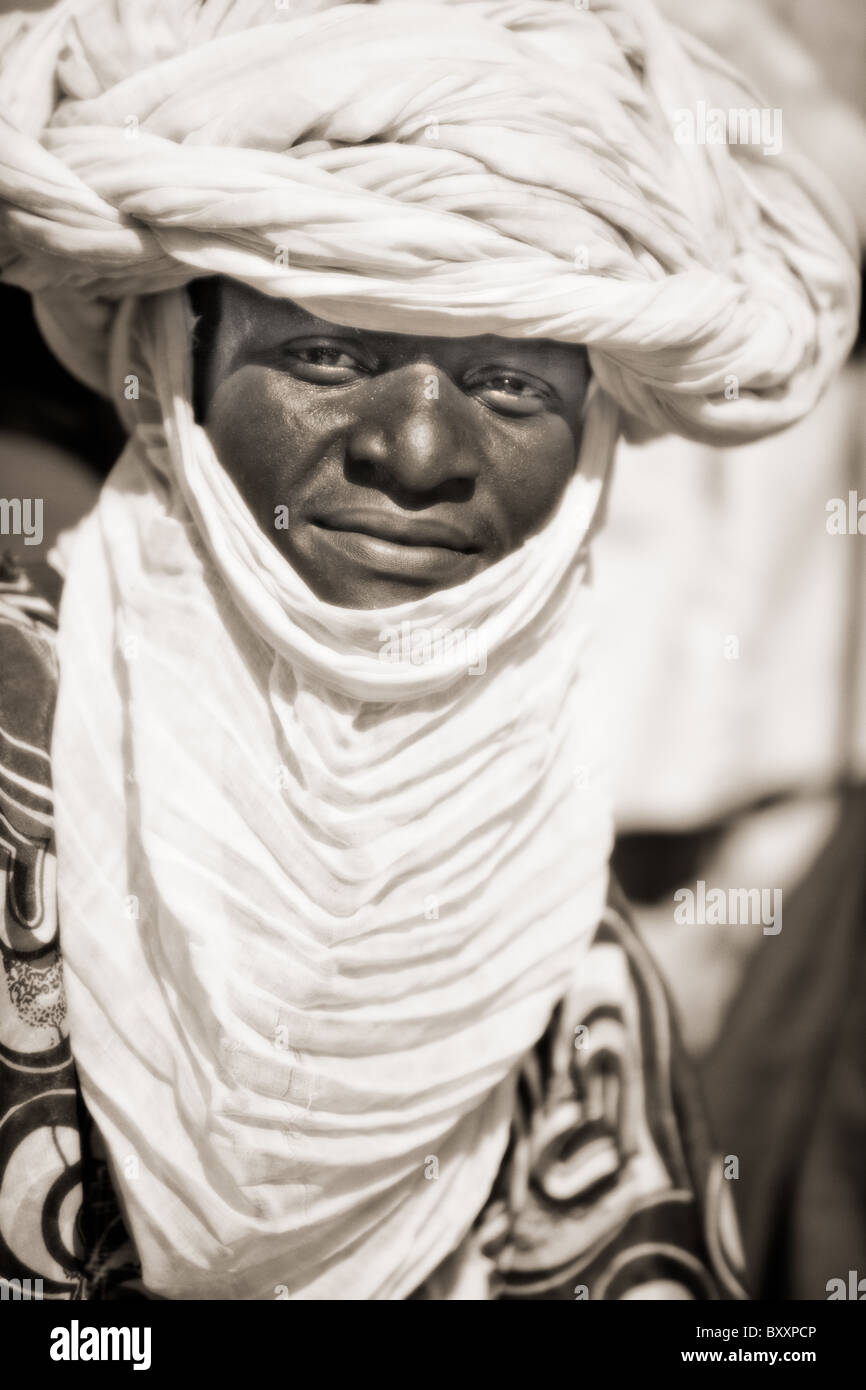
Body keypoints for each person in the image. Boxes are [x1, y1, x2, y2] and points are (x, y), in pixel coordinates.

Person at [0, 0, 857, 1301]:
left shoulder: (553, 890)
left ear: (594, 438)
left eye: (510, 387)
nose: (414, 453)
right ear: (168, 366)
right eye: (327, 355)